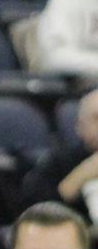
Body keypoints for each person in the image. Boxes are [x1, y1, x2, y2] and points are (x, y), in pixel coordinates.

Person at [22, 87, 98, 216]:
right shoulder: (60, 162)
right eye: (97, 118)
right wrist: (79, 177)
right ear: (80, 126)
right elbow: (35, 210)